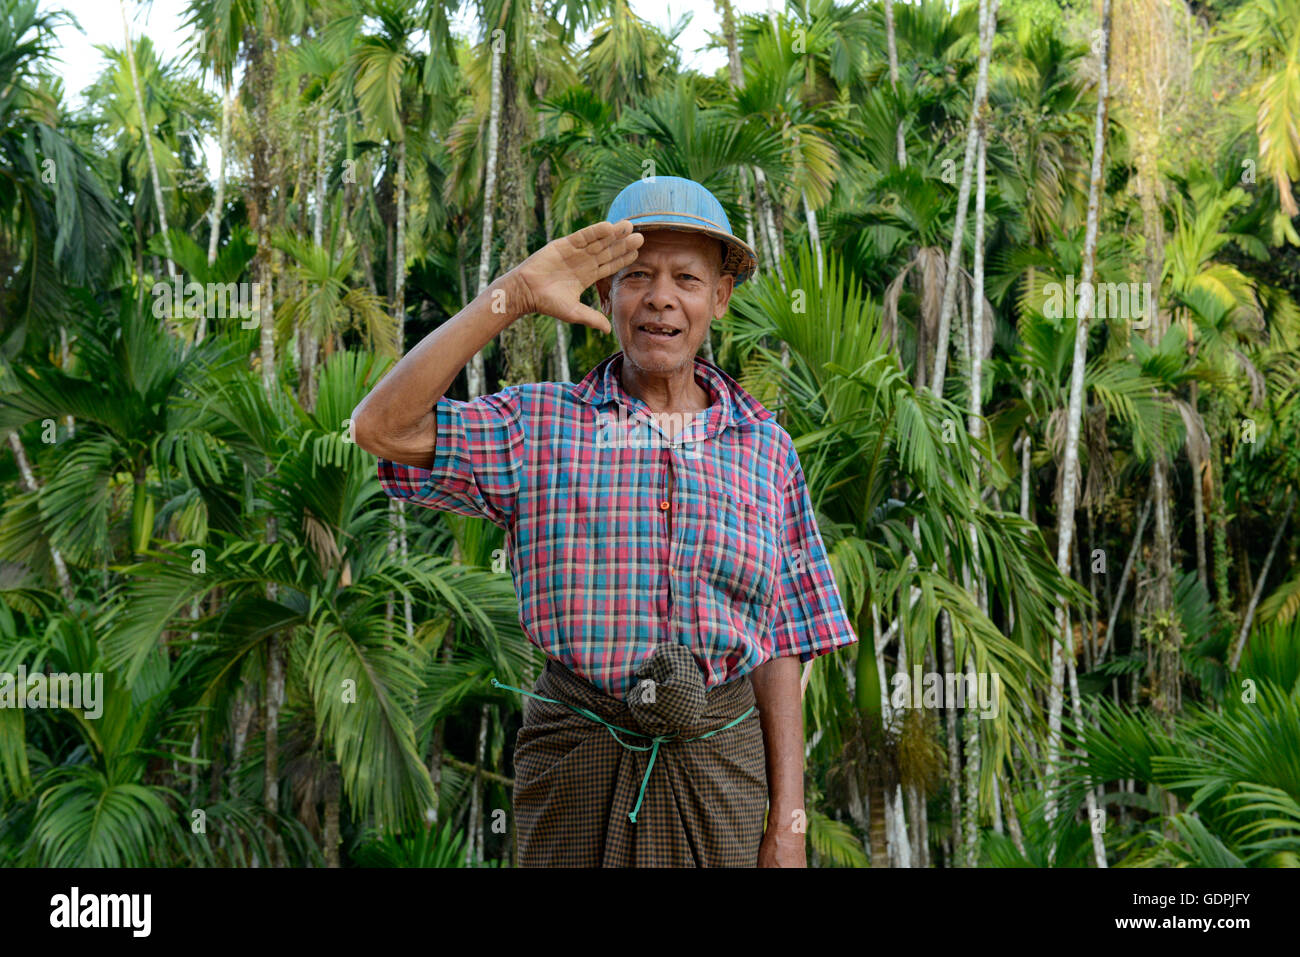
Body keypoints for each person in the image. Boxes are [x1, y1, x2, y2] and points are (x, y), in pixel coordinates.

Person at [351, 175, 857, 867]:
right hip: (577, 760)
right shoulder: (539, 425)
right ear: (604, 294)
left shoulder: (763, 446)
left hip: (721, 774)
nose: (661, 298)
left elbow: (782, 642)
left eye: (686, 277)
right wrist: (515, 294)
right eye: (636, 275)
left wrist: (789, 825)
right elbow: (382, 427)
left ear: (720, 297)